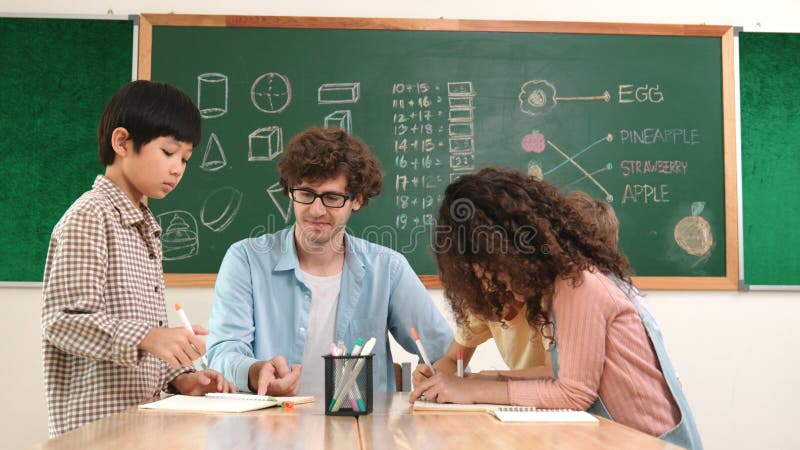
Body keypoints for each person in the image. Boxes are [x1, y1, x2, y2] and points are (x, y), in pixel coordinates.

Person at [409, 167, 703, 449]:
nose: (496, 282)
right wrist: (481, 379)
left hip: (649, 443)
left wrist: (472, 390)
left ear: (510, 250)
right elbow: (560, 376)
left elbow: (573, 393)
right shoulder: (563, 284)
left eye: (491, 269)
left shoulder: (578, 284)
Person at [41, 80, 235, 437]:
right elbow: (61, 321)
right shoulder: (90, 215)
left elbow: (146, 344)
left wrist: (183, 379)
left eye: (185, 159)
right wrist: (149, 337)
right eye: (168, 152)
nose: (178, 168)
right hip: (95, 434)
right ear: (122, 143)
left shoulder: (146, 227)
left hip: (141, 428)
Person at [206, 126, 453, 396]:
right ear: (290, 191)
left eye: (332, 198)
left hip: (360, 432)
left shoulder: (388, 269)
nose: (316, 210)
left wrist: (433, 375)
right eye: (306, 194)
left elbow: (443, 351)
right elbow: (222, 351)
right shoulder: (246, 260)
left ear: (356, 200)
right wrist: (254, 372)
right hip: (269, 426)